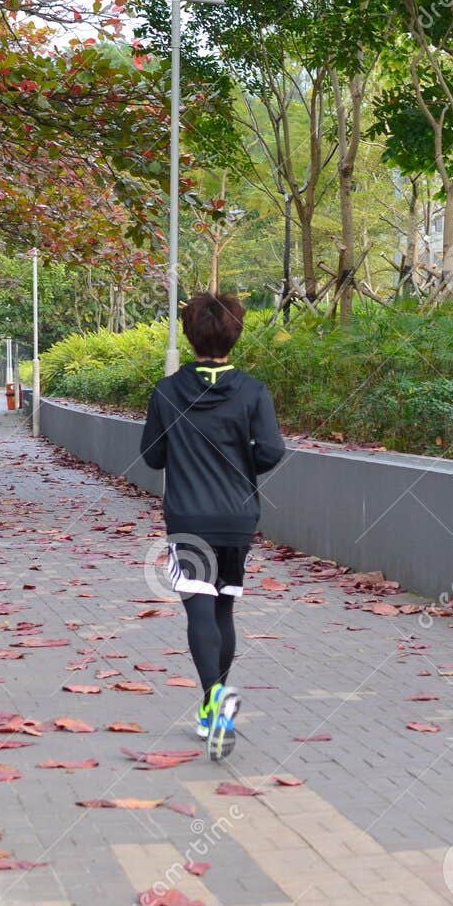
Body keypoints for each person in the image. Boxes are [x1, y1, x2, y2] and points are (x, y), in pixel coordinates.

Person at [139, 293, 285, 761]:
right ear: (235, 334)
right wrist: (241, 459)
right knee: (224, 608)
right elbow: (272, 451)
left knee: (198, 607)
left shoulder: (167, 392)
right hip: (238, 516)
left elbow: (152, 455)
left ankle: (215, 701)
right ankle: (214, 704)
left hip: (188, 515)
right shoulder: (253, 391)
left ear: (189, 334)